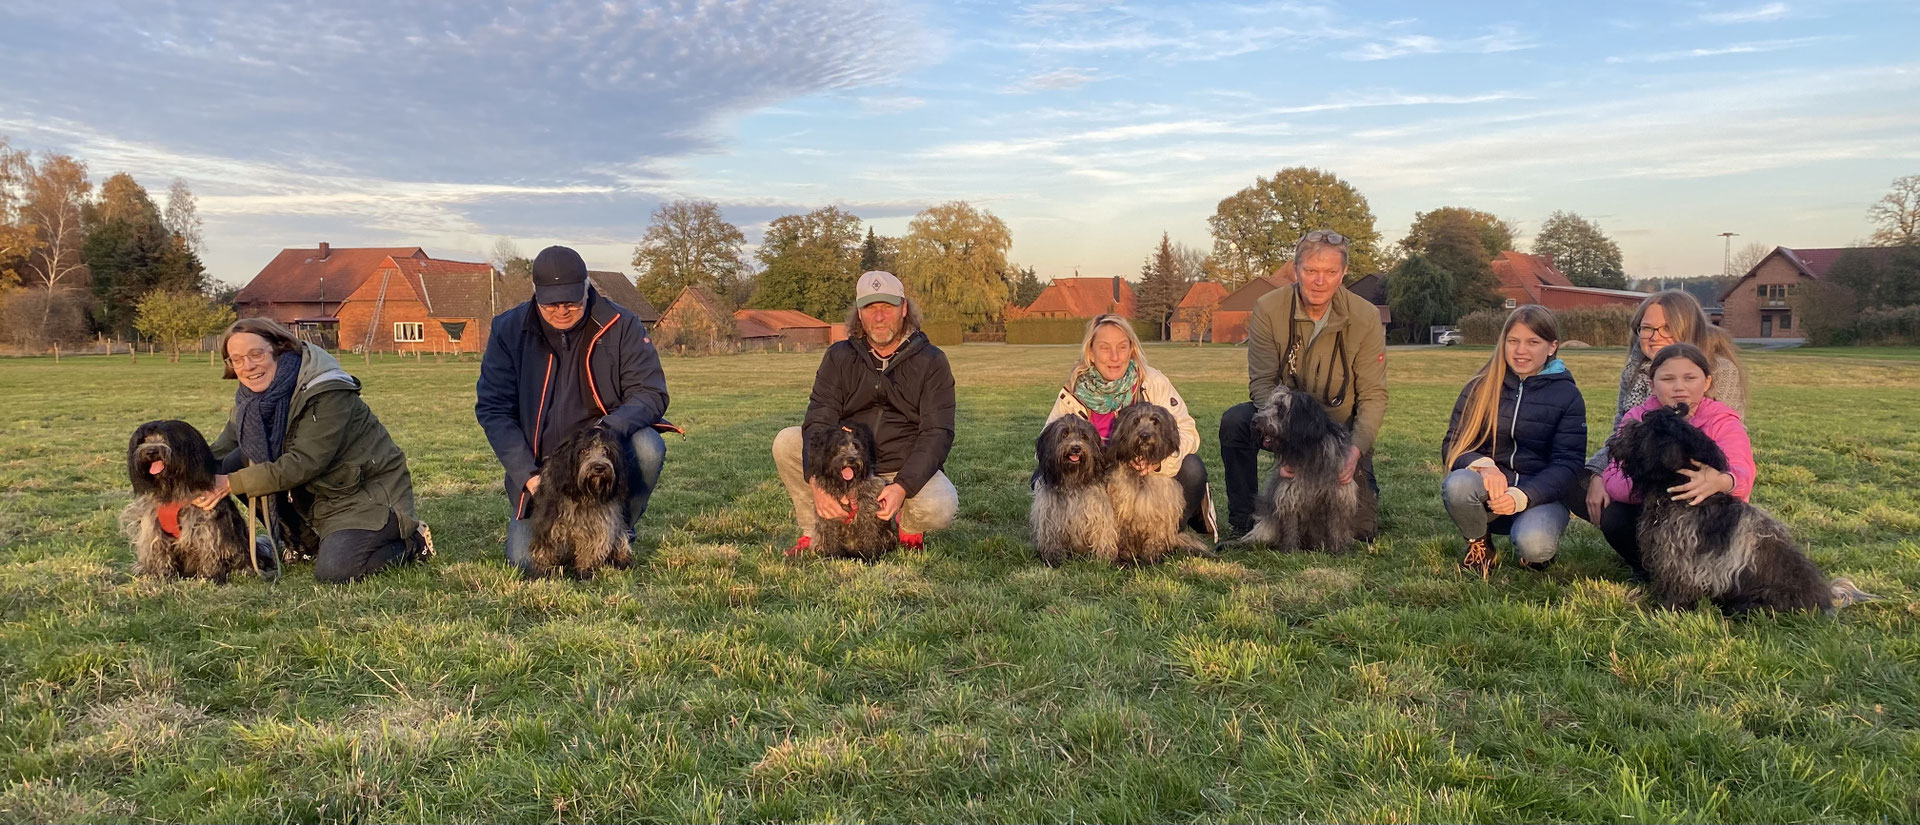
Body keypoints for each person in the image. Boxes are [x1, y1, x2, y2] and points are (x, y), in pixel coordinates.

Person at [475, 245, 671, 573]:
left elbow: (650, 393)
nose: (562, 310)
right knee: (526, 561)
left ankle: (617, 532)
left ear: (586, 288)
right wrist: (526, 474)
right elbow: (494, 408)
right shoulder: (507, 330)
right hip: (543, 466)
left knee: (648, 448)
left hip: (605, 444)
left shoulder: (622, 324)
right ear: (535, 295)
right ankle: (581, 533)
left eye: (572, 301)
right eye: (552, 303)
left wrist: (609, 429)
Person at [195, 318, 427, 583]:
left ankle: (413, 543)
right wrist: (179, 475)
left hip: (362, 496)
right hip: (315, 498)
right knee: (238, 460)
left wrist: (230, 484)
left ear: (280, 348)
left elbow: (304, 463)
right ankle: (304, 546)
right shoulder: (250, 402)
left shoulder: (327, 391)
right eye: (237, 360)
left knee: (338, 572)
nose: (247, 367)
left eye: (256, 354)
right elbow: (222, 450)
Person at [1218, 229, 1389, 538]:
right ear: (1296, 269)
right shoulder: (1268, 309)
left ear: (1344, 273)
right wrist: (1285, 447)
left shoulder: (1365, 316)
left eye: (1330, 272)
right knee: (1236, 422)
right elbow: (1261, 384)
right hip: (1284, 422)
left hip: (1336, 433)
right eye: (1311, 270)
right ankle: (1245, 519)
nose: (1319, 281)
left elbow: (1374, 396)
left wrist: (1354, 452)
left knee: (1360, 530)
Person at [773, 270, 957, 555]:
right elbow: (819, 418)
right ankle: (814, 532)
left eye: (887, 307)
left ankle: (906, 527)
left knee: (941, 504)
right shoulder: (838, 356)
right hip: (846, 459)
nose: (879, 316)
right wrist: (816, 482)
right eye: (871, 308)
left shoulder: (932, 361)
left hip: (902, 465)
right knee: (787, 442)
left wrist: (902, 487)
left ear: (904, 309)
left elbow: (937, 433)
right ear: (859, 313)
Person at [1577, 342, 1755, 578]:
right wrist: (1660, 486)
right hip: (1652, 508)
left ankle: (1703, 574)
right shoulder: (1637, 418)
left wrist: (1721, 481)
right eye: (1668, 379)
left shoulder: (1722, 421)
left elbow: (1743, 472)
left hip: (1705, 513)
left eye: (1690, 378)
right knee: (1615, 516)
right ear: (1652, 384)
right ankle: (1645, 567)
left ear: (1707, 382)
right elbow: (1614, 476)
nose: (1679, 387)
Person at [1439, 306, 1586, 576]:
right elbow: (1453, 443)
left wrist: (1523, 496)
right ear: (1503, 342)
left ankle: (1535, 553)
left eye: (1533, 342)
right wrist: (1484, 466)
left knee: (1535, 545)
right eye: (1513, 341)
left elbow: (1569, 464)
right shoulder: (1480, 385)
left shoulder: (1568, 395)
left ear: (1552, 347)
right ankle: (1481, 545)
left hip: (1541, 495)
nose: (1521, 351)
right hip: (1490, 491)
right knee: (1457, 484)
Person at [1580, 289, 1745, 527]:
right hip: (1641, 475)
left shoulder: (1721, 371)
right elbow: (1620, 434)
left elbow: (1726, 443)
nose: (1655, 336)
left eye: (1667, 328)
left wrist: (1720, 480)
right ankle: (1641, 551)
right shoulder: (1634, 372)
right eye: (1647, 328)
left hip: (1695, 479)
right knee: (1579, 483)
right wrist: (1599, 473)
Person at [1044, 313, 1216, 541]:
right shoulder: (1073, 393)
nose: (1114, 356)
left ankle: (1166, 533)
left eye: (1122, 347)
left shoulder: (1153, 382)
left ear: (1131, 350)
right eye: (1105, 347)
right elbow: (1047, 446)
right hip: (1101, 476)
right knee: (1042, 476)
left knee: (1192, 468)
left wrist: (1158, 463)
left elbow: (1188, 432)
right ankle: (1088, 533)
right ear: (1091, 353)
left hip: (1153, 475)